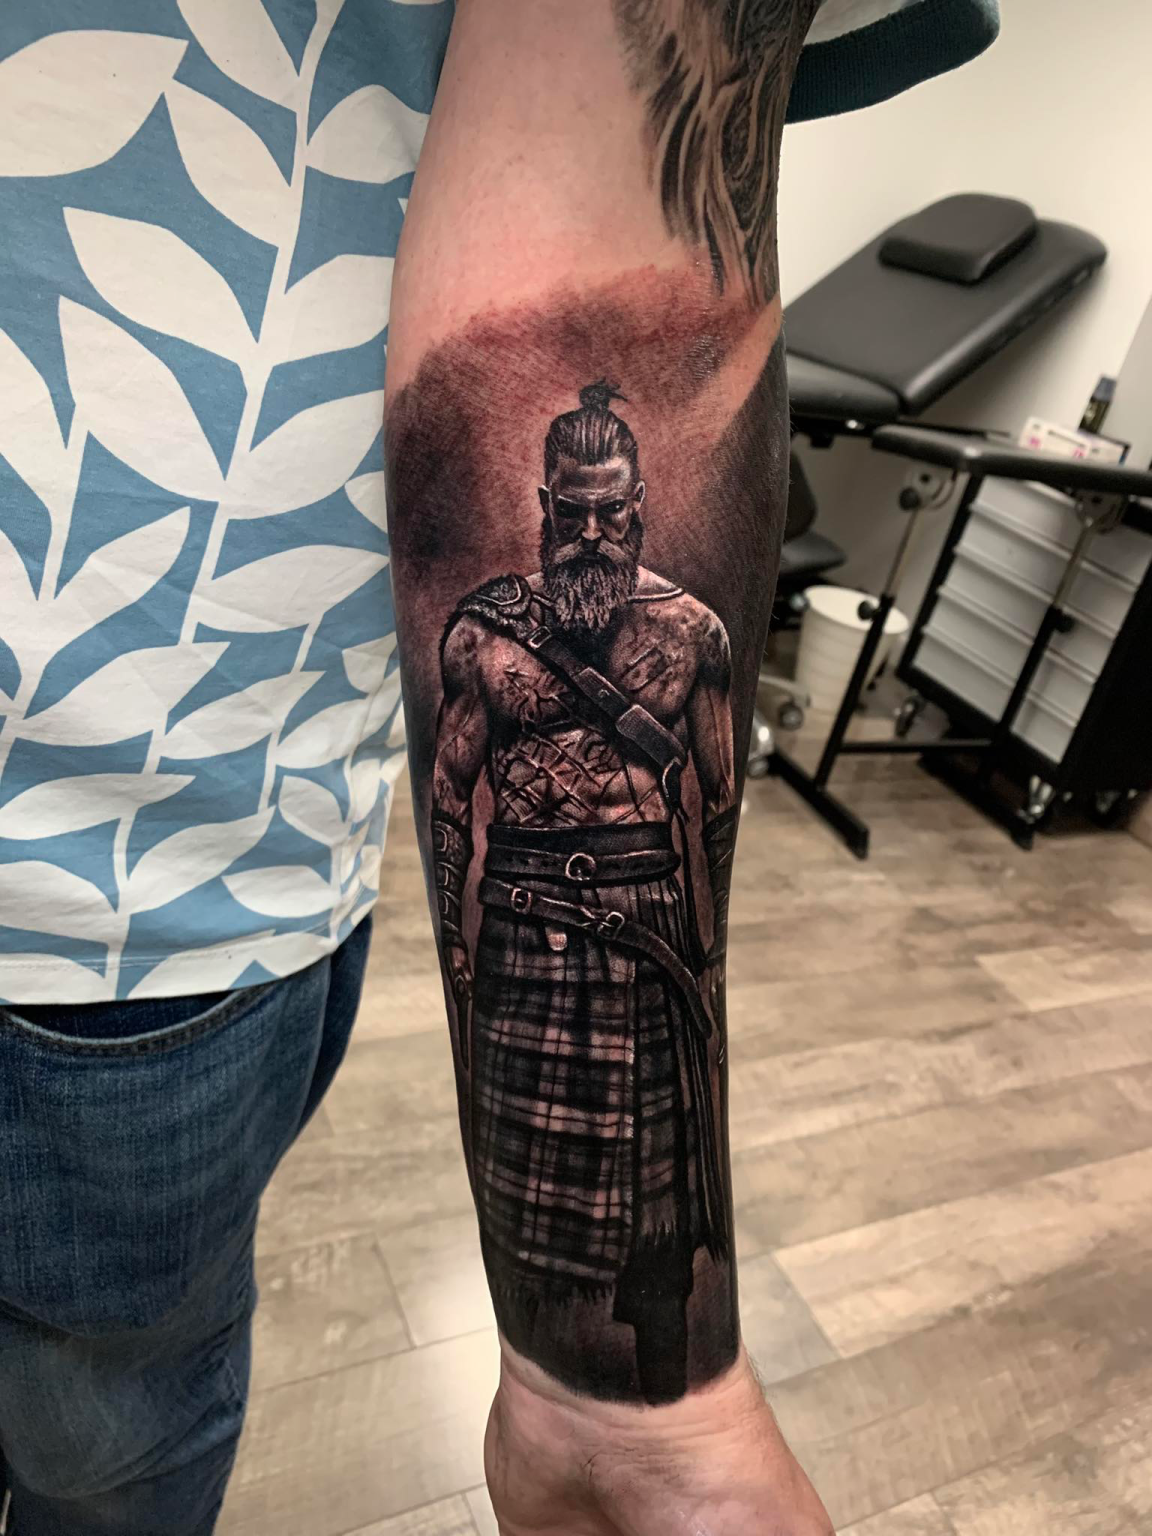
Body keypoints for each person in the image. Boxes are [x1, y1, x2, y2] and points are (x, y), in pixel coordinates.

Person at [0, 1, 999, 1532]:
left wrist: (619, 1399)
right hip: (487, 932)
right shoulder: (491, 637)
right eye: (571, 510)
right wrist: (475, 930)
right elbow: (465, 812)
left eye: (613, 510)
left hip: (164, 896)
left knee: (111, 1436)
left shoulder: (681, 636)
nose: (593, 531)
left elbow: (696, 808)